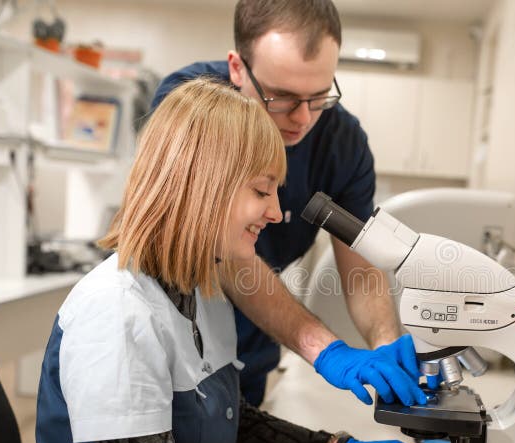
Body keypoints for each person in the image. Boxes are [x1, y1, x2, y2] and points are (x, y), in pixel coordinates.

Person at [36, 79, 452, 443]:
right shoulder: (116, 316)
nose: (276, 212)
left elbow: (227, 417)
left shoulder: (200, 288)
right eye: (261, 190)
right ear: (200, 186)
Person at [152, 0, 415, 408]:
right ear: (237, 68)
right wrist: (326, 349)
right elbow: (227, 259)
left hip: (250, 348)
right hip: (175, 349)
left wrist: (387, 349)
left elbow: (360, 267)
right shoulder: (192, 108)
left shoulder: (342, 144)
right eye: (282, 97)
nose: (303, 119)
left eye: (320, 96)